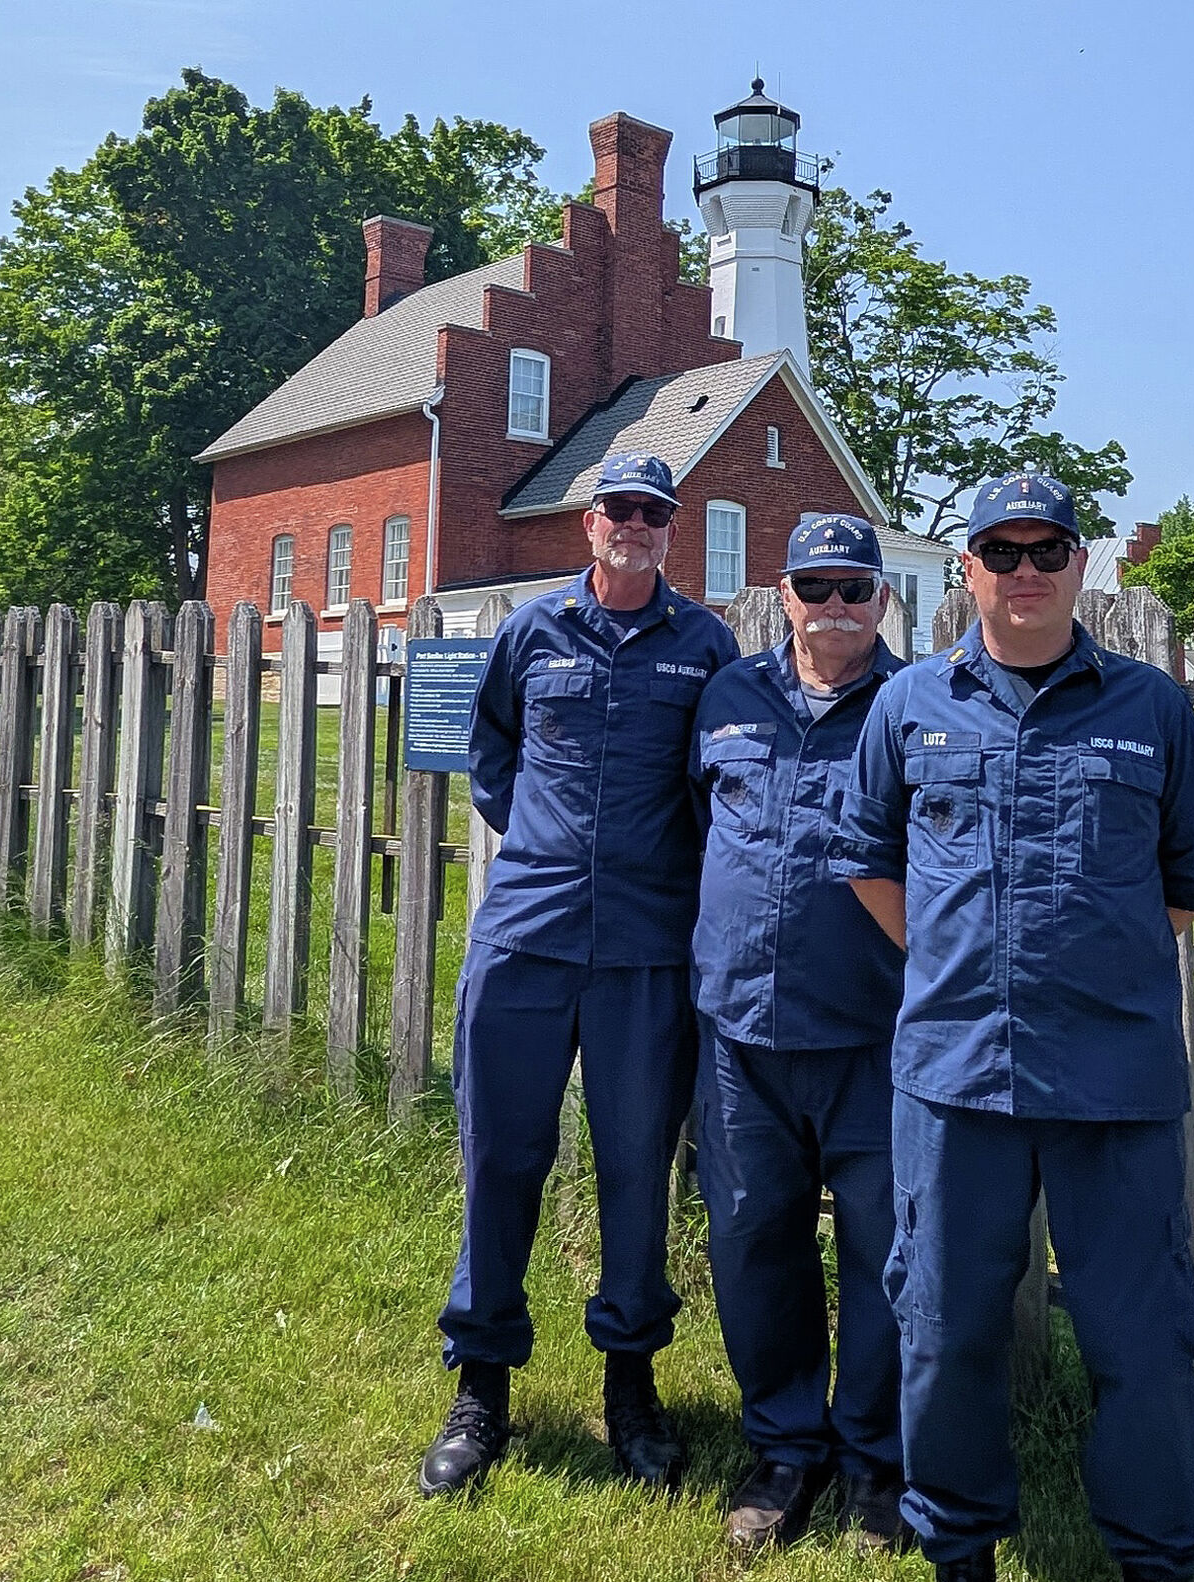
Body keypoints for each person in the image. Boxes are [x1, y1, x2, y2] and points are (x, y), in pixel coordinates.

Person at [836, 472, 1194, 1582]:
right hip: (953, 1073)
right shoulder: (907, 704)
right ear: (963, 567)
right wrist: (957, 959)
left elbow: (1187, 881)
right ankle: (955, 1545)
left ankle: (1159, 1556)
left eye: (1045, 551)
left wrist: (1079, 960)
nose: (1024, 573)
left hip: (1111, 1079)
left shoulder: (1150, 708)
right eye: (999, 553)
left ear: (1078, 564)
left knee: (1142, 1341)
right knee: (945, 1326)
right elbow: (866, 861)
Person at [420, 450, 739, 1499]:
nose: (634, 524)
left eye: (652, 510)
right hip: (526, 935)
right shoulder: (530, 632)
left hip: (647, 947)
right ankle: (480, 1384)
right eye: (618, 509)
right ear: (587, 524)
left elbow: (717, 780)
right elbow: (493, 750)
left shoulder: (706, 647)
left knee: (636, 1167)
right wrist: (551, 845)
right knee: (502, 1156)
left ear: (668, 526)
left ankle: (630, 1387)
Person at [689, 514, 911, 1553]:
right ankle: (784, 1449)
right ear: (781, 591)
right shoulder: (728, 697)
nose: (833, 607)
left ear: (880, 597)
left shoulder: (916, 707)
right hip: (741, 1034)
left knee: (885, 1255)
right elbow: (693, 825)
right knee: (750, 1241)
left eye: (852, 588)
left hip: (875, 1035)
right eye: (813, 586)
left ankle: (876, 1461)